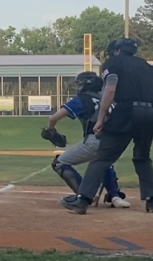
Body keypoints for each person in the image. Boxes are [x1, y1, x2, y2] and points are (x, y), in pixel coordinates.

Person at [59, 39, 153, 215]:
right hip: (148, 113)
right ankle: (152, 201)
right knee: (142, 157)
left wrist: (101, 119)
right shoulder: (147, 67)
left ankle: (83, 200)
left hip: (125, 111)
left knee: (102, 158)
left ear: (117, 50)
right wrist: (151, 112)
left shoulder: (113, 63)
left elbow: (110, 90)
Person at [44, 72, 131, 208]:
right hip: (115, 141)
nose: (78, 87)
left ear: (87, 84)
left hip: (95, 139)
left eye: (80, 83)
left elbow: (53, 118)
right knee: (102, 162)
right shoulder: (108, 98)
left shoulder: (82, 99)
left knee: (60, 163)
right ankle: (115, 196)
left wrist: (50, 130)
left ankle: (83, 195)